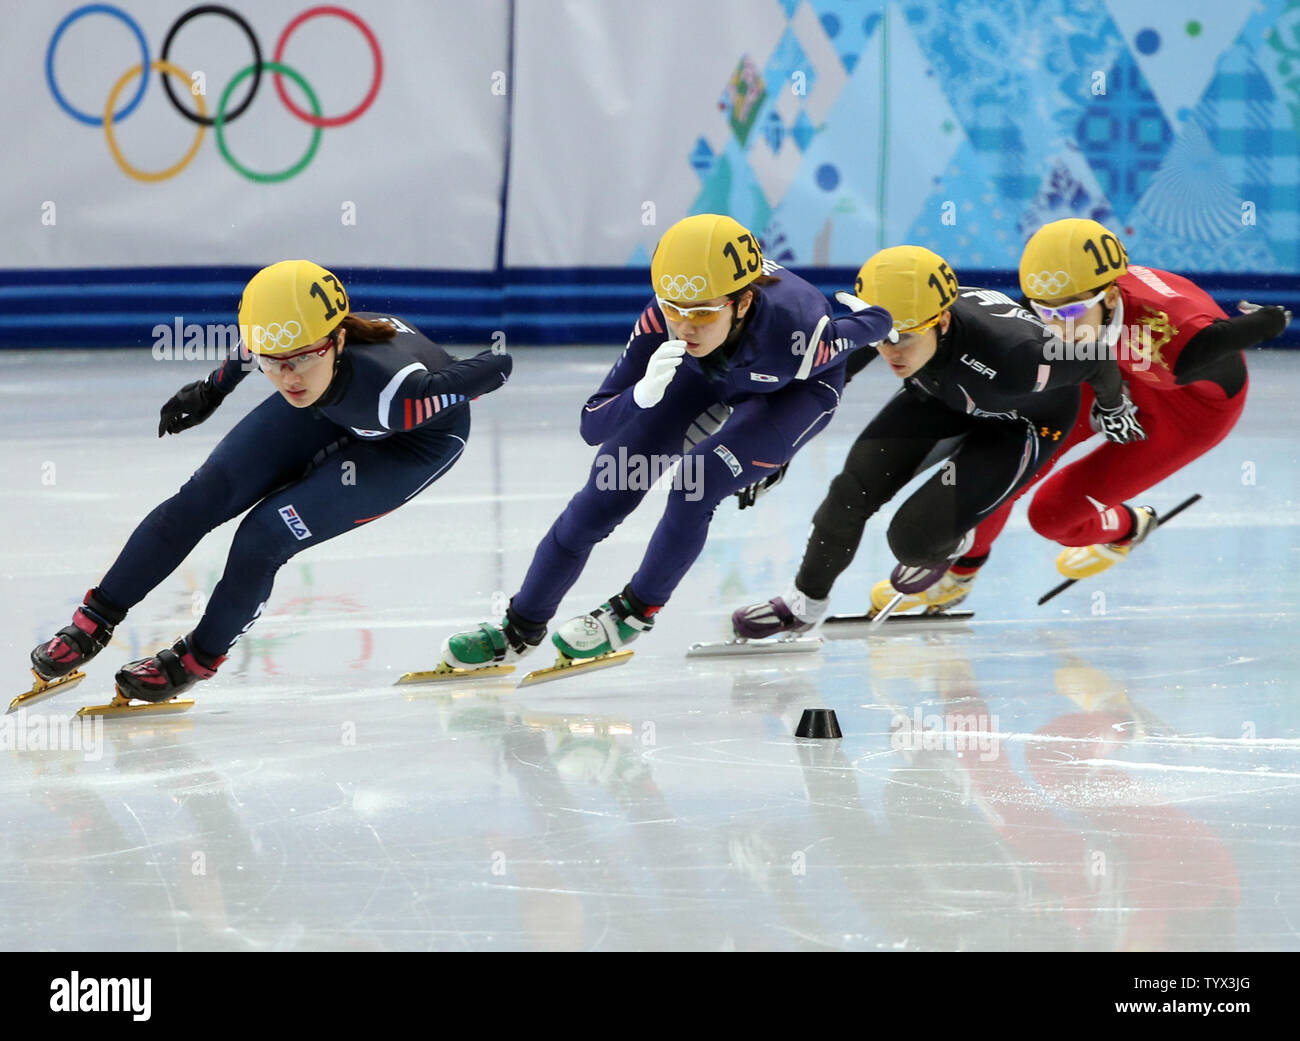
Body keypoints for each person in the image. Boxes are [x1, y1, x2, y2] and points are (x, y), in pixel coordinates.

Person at [25, 260, 512, 709]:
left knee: (263, 536)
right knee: (202, 497)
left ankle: (198, 658)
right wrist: (211, 390)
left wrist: (443, 382)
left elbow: (499, 365)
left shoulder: (402, 398)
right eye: (272, 361)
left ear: (337, 340)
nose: (285, 376)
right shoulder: (293, 346)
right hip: (332, 403)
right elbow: (260, 349)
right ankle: (92, 622)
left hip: (406, 443)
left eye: (297, 359)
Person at [440, 213, 892, 674]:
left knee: (697, 479)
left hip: (791, 392)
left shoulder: (800, 332)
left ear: (742, 302)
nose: (685, 325)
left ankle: (636, 610)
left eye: (701, 312)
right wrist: (639, 396)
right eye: (673, 307)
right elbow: (592, 425)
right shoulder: (663, 321)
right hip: (702, 377)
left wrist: (875, 316)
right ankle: (520, 626)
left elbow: (874, 327)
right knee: (603, 493)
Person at [860, 218, 1291, 617]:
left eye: (1067, 313)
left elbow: (1235, 343)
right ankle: (961, 573)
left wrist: (1269, 320)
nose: (1056, 326)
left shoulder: (1174, 333)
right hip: (1101, 374)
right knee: (1011, 459)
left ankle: (1128, 526)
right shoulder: (1073, 304)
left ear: (1111, 297)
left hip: (1186, 413)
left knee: (1052, 518)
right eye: (1042, 310)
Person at [731, 244, 1142, 639]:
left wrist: (1113, 408)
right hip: (939, 397)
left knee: (913, 542)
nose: (890, 351)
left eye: (905, 337)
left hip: (1022, 424)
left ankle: (952, 542)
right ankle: (803, 605)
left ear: (942, 322)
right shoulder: (897, 318)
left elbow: (1097, 362)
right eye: (881, 335)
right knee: (848, 494)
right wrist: (778, 445)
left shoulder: (1019, 356)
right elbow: (826, 381)